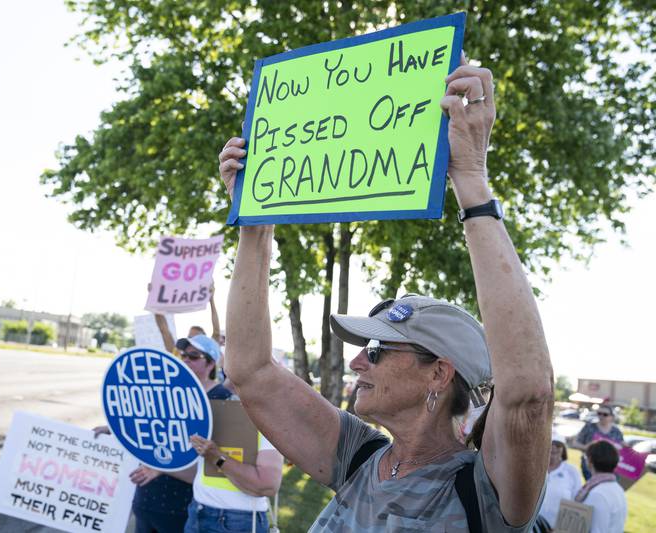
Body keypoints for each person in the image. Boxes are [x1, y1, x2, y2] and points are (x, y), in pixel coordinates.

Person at [219, 53, 553, 531]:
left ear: (439, 373)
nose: (357, 362)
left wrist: (472, 182)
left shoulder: (487, 490)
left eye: (376, 350)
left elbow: (528, 396)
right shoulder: (358, 455)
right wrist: (254, 224)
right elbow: (249, 370)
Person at [129, 335, 283, 533]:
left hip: (236, 522)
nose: (184, 359)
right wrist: (161, 469)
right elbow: (198, 466)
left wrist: (216, 457)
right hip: (197, 512)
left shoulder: (264, 420)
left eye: (192, 356)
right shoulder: (219, 409)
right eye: (234, 368)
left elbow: (267, 486)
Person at [95, 334, 232, 532]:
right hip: (145, 499)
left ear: (211, 363)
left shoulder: (222, 398)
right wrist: (113, 429)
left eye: (193, 356)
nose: (185, 359)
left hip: (182, 508)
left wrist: (162, 467)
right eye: (183, 354)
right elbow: (148, 424)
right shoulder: (167, 390)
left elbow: (215, 465)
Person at [576, 440, 627, 533]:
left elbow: (598, 530)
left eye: (585, 457)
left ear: (590, 460)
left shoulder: (598, 494)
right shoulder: (617, 488)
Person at [539, 432, 582, 528]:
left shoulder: (572, 471)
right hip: (534, 526)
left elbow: (577, 501)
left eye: (558, 445)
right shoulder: (535, 468)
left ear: (563, 449)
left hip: (559, 527)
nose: (554, 447)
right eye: (550, 444)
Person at [575, 404, 623, 480]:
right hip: (591, 464)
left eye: (605, 414)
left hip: (609, 467)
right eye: (599, 413)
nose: (601, 416)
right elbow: (575, 443)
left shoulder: (616, 432)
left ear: (611, 417)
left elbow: (621, 448)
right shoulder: (589, 427)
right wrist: (586, 447)